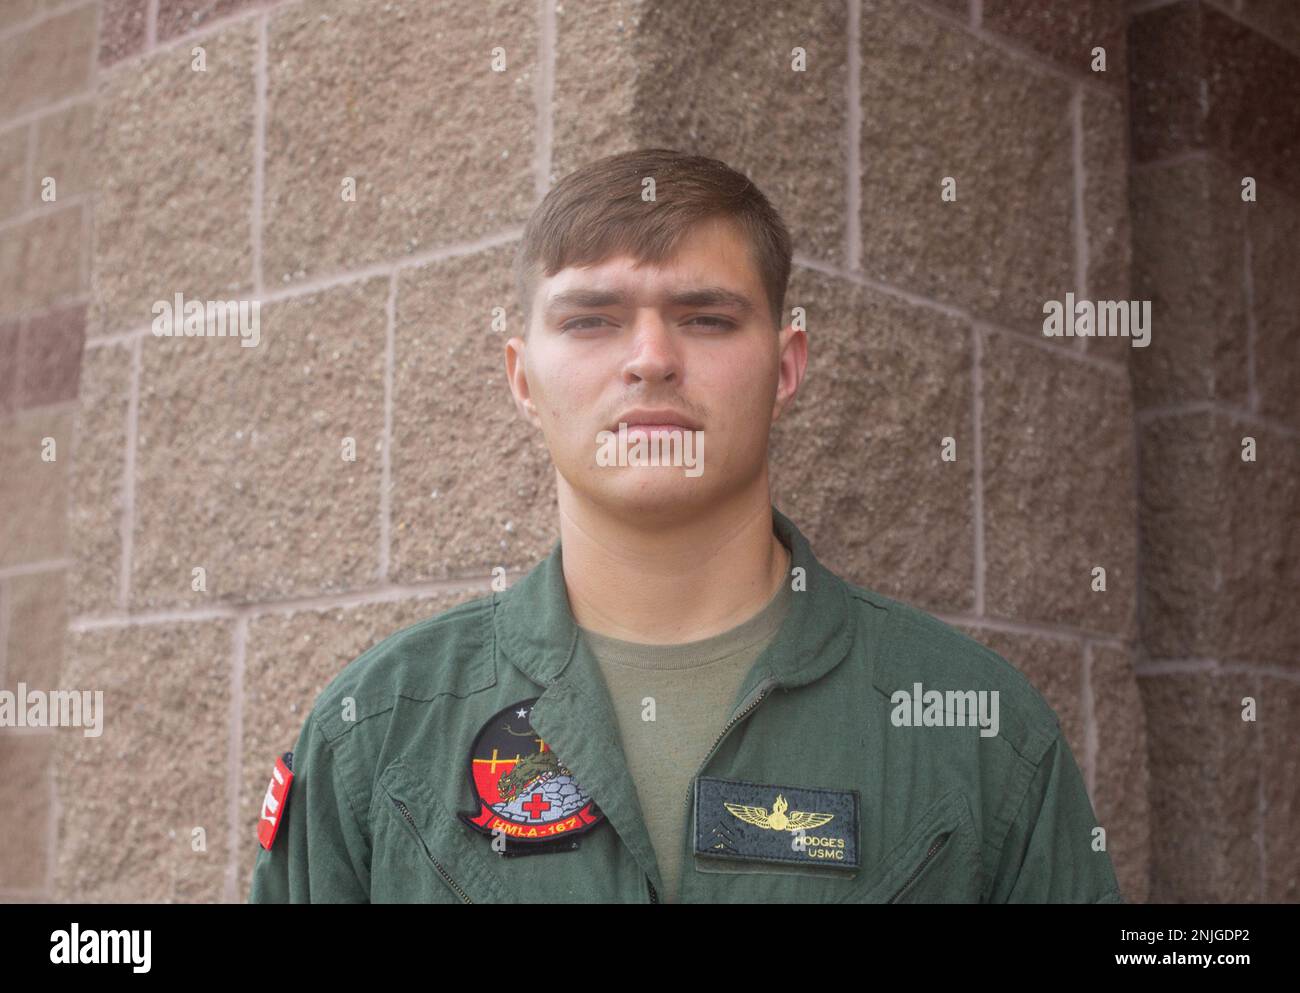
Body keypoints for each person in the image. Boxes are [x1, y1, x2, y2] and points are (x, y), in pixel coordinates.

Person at [249, 148, 1123, 903]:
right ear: (523, 379)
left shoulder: (981, 735)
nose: (651, 359)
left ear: (785, 368)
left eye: (706, 318)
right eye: (591, 319)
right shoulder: (374, 736)